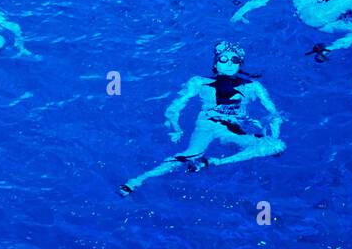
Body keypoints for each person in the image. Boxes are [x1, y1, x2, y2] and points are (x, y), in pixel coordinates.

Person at [119, 42, 284, 196]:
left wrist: (272, 132)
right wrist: (175, 128)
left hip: (234, 129)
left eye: (234, 59)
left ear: (240, 64)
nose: (228, 63)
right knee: (191, 154)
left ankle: (214, 162)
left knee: (277, 146)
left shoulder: (254, 86)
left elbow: (275, 114)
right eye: (223, 59)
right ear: (215, 63)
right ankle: (139, 180)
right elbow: (175, 106)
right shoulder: (199, 82)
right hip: (208, 124)